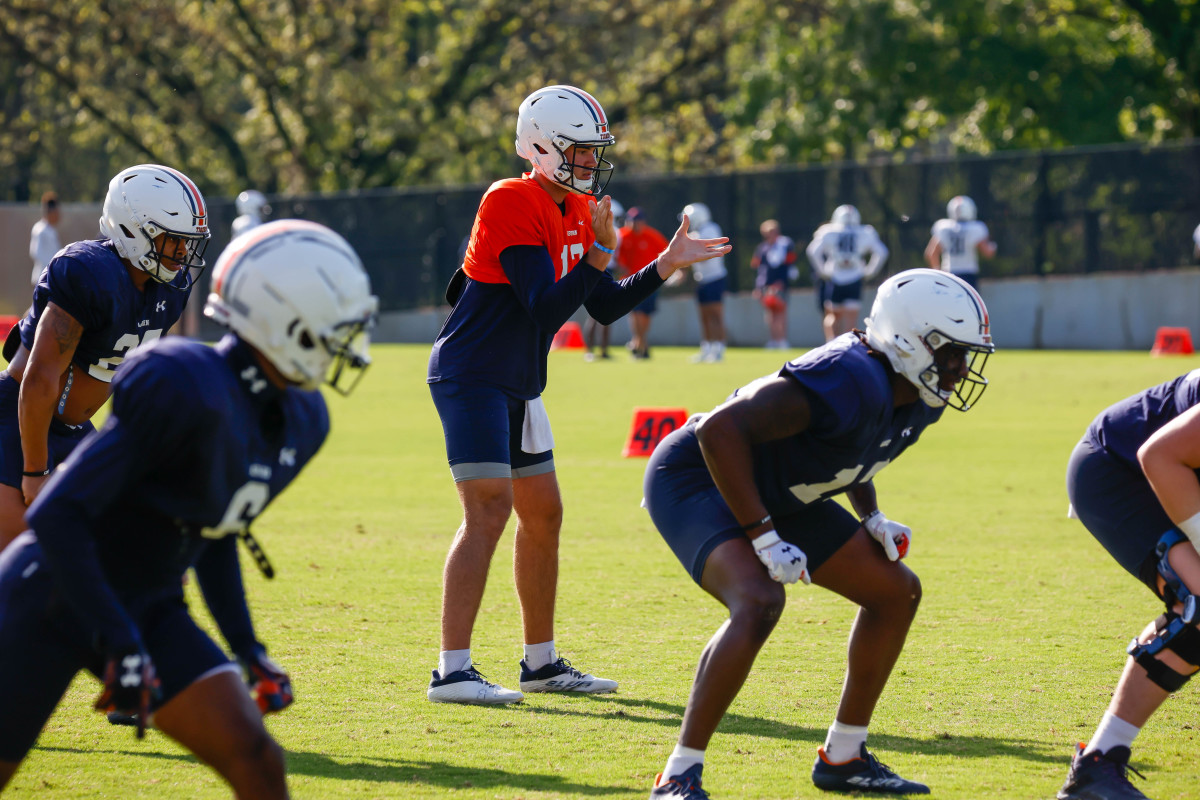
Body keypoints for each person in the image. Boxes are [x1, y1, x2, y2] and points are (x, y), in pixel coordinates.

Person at [0, 219, 378, 797]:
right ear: (287, 321)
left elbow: (215, 528)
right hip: (51, 593)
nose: (346, 344)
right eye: (335, 326)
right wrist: (120, 641)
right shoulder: (184, 383)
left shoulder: (302, 419)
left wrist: (248, 649)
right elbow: (56, 517)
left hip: (147, 606)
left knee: (257, 759)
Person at [426, 84, 730, 705]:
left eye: (594, 152)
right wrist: (597, 254)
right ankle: (451, 671)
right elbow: (542, 306)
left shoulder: (574, 209)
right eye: (580, 151)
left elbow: (605, 307)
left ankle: (540, 663)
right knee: (487, 511)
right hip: (473, 373)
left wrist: (664, 263)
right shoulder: (510, 198)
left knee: (545, 515)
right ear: (540, 148)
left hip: (518, 379)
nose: (591, 162)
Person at [643, 269, 994, 799]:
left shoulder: (917, 395)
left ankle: (844, 757)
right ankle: (678, 775)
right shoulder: (847, 376)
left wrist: (872, 516)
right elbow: (720, 430)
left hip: (780, 488)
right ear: (908, 339)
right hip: (702, 474)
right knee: (760, 599)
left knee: (897, 591)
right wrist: (762, 536)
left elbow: (859, 453)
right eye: (950, 353)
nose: (960, 368)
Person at [0, 164, 210, 551]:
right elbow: (40, 376)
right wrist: (34, 469)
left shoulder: (172, 289)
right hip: (17, 421)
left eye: (187, 241)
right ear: (134, 229)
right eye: (172, 239)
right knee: (25, 564)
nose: (183, 252)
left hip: (75, 432)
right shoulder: (89, 273)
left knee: (140, 553)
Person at [1058, 371, 1200, 799]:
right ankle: (1098, 765)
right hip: (1119, 472)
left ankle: (1098, 765)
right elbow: (1158, 455)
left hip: (1173, 469)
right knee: (1199, 607)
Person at [806, 205, 889, 342]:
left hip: (835, 277)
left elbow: (812, 251)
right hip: (854, 277)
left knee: (832, 315)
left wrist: (822, 271)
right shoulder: (865, 232)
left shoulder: (828, 232)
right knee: (851, 318)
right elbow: (882, 252)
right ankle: (846, 346)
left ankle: (830, 343)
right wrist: (870, 271)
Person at [673, 202, 727, 363]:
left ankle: (719, 349)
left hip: (714, 278)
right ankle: (707, 348)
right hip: (701, 279)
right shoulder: (697, 232)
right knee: (703, 315)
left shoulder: (711, 229)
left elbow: (707, 253)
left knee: (715, 314)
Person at [616, 207, 670, 360]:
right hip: (630, 281)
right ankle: (639, 344)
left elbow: (666, 252)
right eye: (632, 221)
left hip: (651, 281)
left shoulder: (652, 236)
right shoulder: (623, 235)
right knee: (636, 313)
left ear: (643, 222)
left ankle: (640, 342)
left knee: (645, 314)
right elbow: (616, 256)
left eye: (638, 222)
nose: (635, 225)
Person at [924, 195, 996, 291]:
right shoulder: (976, 228)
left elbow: (931, 253)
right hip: (968, 275)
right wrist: (993, 246)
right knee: (969, 305)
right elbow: (988, 253)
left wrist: (938, 274)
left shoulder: (943, 227)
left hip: (948, 274)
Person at [584, 198, 625, 361]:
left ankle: (591, 351)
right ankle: (602, 350)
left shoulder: (590, 228)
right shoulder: (616, 231)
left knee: (594, 314)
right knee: (604, 312)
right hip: (605, 269)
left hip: (595, 268)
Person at [750, 219, 797, 350]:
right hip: (766, 286)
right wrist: (758, 287)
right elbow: (759, 268)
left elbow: (789, 264)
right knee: (770, 314)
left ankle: (782, 340)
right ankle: (773, 340)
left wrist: (781, 282)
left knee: (781, 312)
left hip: (781, 285)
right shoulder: (762, 248)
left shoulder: (785, 244)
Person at [28, 191, 62, 286]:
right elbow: (35, 252)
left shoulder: (51, 230)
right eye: (57, 212)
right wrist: (52, 267)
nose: (59, 215)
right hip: (43, 278)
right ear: (51, 212)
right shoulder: (40, 229)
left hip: (51, 277)